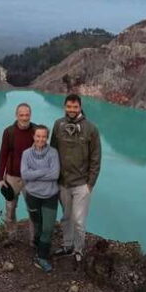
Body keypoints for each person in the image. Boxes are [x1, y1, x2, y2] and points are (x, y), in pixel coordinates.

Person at [50, 94, 101, 264]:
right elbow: (53, 152)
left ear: (80, 107)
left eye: (75, 107)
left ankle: (78, 250)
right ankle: (67, 245)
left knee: (79, 221)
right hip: (63, 182)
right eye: (69, 107)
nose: (72, 110)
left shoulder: (91, 129)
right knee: (66, 217)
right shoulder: (58, 125)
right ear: (65, 107)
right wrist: (53, 177)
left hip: (81, 184)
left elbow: (96, 158)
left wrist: (90, 184)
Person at [20, 125, 60, 272]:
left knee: (48, 227)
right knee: (37, 225)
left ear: (47, 137)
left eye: (44, 136)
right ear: (33, 137)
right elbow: (25, 174)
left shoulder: (53, 153)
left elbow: (55, 174)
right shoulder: (26, 154)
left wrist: (34, 173)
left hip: (50, 196)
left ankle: (42, 257)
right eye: (38, 136)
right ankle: (39, 248)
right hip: (32, 196)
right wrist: (45, 171)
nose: (41, 139)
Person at [0, 103, 37, 242]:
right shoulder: (9, 132)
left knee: (33, 210)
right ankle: (11, 236)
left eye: (27, 115)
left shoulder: (36, 130)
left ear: (30, 115)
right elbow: (3, 155)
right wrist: (0, 178)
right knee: (10, 209)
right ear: (16, 115)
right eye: (21, 115)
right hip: (12, 177)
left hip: (31, 178)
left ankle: (34, 240)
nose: (24, 118)